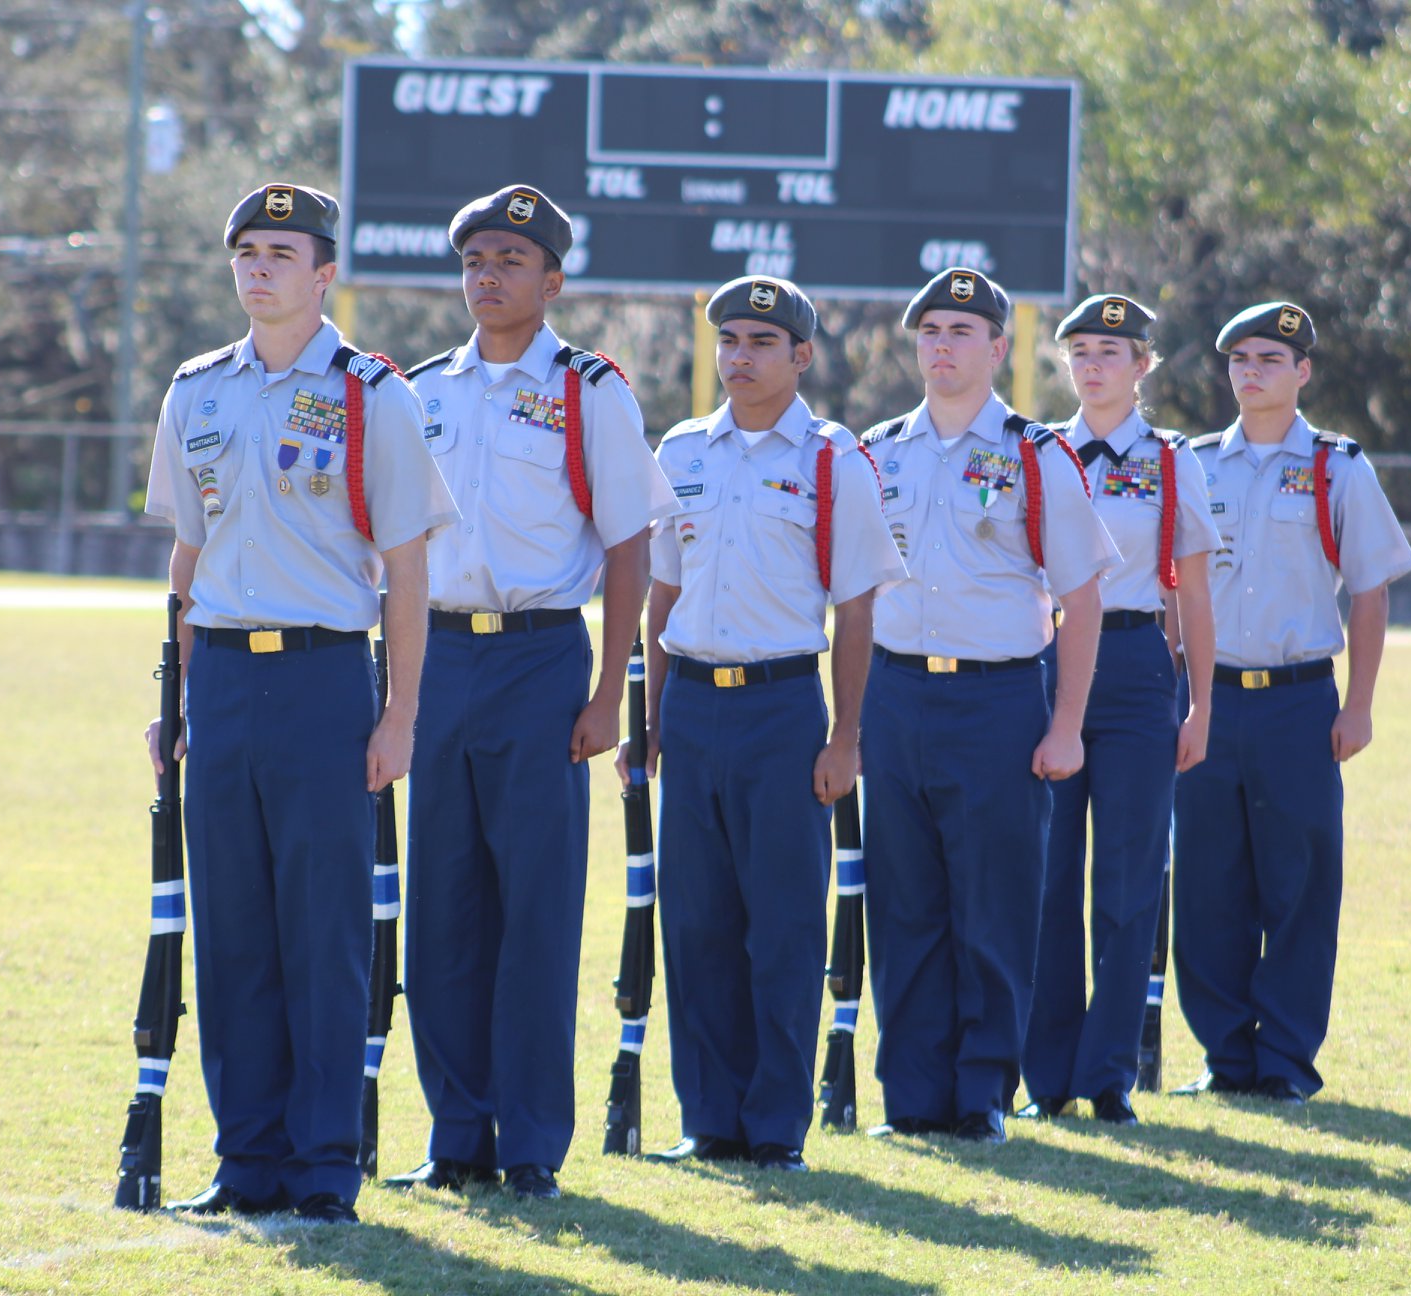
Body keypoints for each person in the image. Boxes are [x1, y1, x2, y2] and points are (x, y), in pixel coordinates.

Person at [142, 181, 459, 1225]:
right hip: (224, 681)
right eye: (245, 249)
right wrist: (174, 696)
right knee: (232, 933)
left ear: (327, 273)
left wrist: (400, 712)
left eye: (282, 250)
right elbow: (190, 551)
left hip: (327, 676)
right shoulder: (197, 389)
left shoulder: (376, 394)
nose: (259, 266)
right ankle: (247, 1162)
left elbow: (406, 571)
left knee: (320, 931)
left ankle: (324, 1166)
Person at [385, 184, 677, 1201]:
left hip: (541, 661)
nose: (489, 276)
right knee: (445, 914)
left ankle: (531, 1145)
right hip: (444, 660)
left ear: (552, 281)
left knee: (537, 914)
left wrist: (609, 692)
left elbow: (629, 545)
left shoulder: (590, 389)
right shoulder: (419, 392)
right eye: (475, 260)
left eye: (512, 259)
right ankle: (456, 1135)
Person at [630, 275, 904, 1172]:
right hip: (694, 706)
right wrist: (651, 714)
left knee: (783, 924)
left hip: (785, 709)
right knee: (697, 923)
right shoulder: (680, 451)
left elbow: (856, 609)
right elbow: (661, 591)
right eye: (729, 342)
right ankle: (709, 1118)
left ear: (801, 356)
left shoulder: (833, 460)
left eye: (760, 342)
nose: (740, 358)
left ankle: (775, 1124)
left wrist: (848, 737)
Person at [855, 268, 1117, 1144]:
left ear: (999, 348)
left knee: (993, 906)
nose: (943, 345)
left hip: (998, 697)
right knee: (904, 904)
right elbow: (849, 595)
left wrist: (1068, 724)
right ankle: (912, 1097)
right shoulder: (878, 450)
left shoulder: (1036, 454)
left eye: (963, 331)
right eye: (930, 329)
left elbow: (1082, 598)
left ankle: (981, 1096)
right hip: (894, 692)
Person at [1169, 301, 1411, 1104]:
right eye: (1240, 359)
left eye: (1270, 359)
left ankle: (1285, 1063)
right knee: (1208, 889)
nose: (1252, 372)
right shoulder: (1196, 464)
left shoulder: (1339, 467)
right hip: (1211, 700)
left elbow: (1371, 591)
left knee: (1300, 887)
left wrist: (1361, 705)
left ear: (1302, 372)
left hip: (1299, 701)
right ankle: (1225, 1058)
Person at [1016, 294, 1220, 1127]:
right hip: (1048, 665)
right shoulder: (1034, 451)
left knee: (1130, 876)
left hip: (1138, 667)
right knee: (1047, 875)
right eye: (1082, 350)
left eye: (1113, 350)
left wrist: (1201, 703)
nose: (1094, 364)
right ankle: (1048, 1076)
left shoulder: (1173, 461)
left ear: (1143, 366)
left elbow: (1197, 593)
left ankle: (1109, 1074)